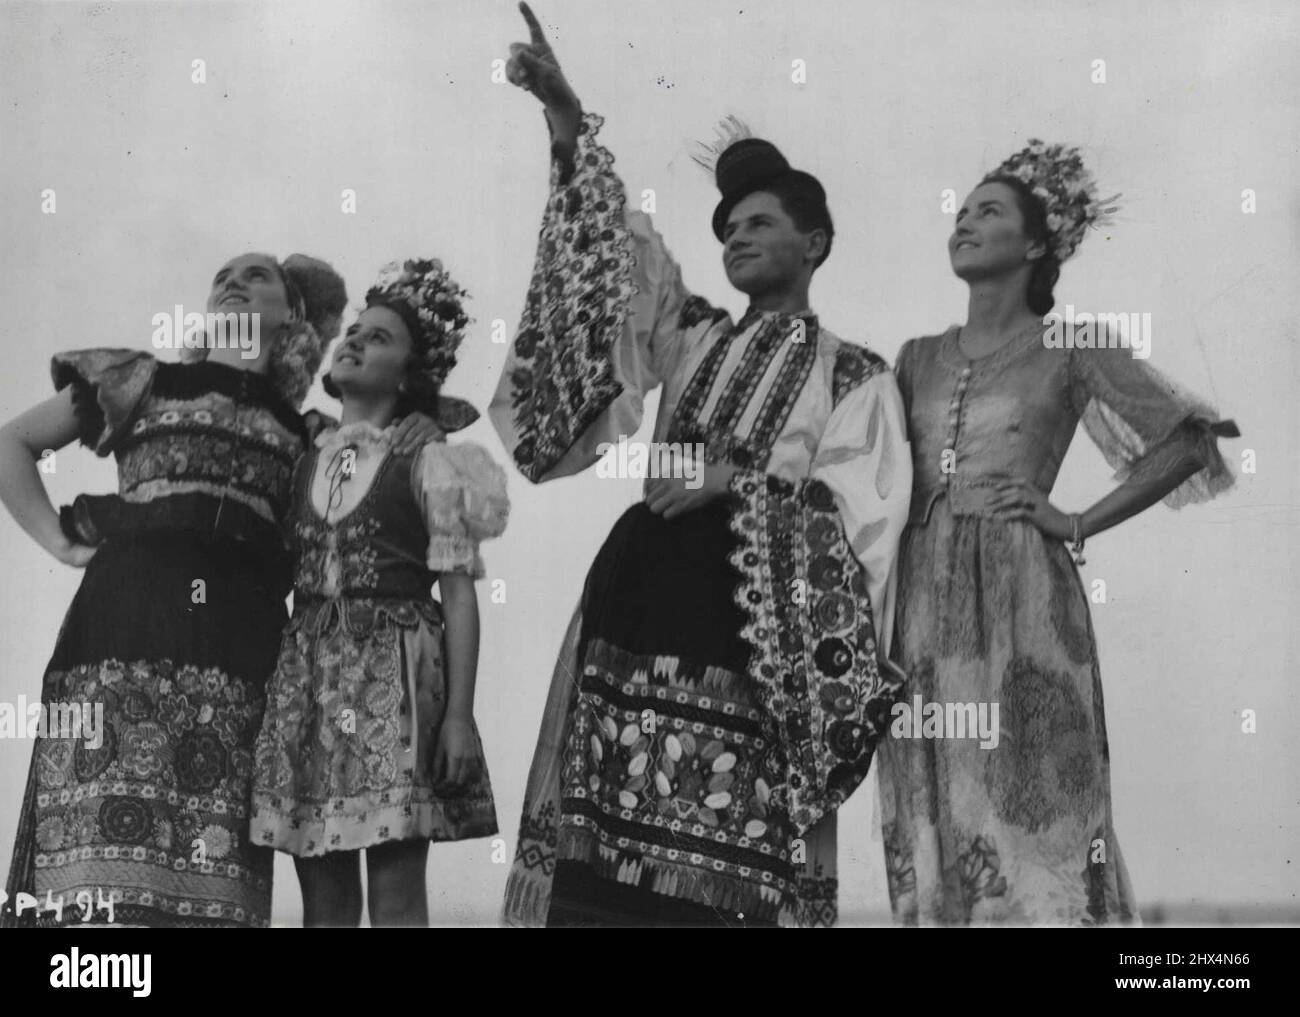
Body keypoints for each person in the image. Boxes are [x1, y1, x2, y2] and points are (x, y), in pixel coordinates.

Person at [491, 3, 911, 927]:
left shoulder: (855, 373)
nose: (736, 237)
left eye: (761, 222)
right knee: (604, 860)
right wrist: (564, 116)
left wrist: (737, 483)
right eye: (726, 229)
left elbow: (866, 527)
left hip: (755, 628)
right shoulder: (691, 336)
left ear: (817, 242)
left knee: (727, 868)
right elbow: (614, 252)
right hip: (640, 591)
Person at [874, 140, 1240, 925]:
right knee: (935, 805)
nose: (966, 221)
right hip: (922, 616)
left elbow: (1189, 439)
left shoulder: (1071, 346)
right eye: (962, 211)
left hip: (1025, 604)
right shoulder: (913, 359)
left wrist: (1076, 520)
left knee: (1037, 806)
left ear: (1037, 244)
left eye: (990, 210)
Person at [0, 253, 347, 927]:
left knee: (210, 881)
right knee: (93, 884)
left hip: (240, 666)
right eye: (224, 274)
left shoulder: (311, 437)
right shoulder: (140, 381)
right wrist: (60, 540)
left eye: (257, 275)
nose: (232, 281)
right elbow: (11, 442)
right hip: (120, 641)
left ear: (294, 318)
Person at [250, 259, 508, 927]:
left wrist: (458, 715)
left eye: (382, 338)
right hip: (308, 678)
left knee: (396, 900)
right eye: (355, 331)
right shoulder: (303, 449)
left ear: (409, 374)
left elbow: (458, 593)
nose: (356, 341)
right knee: (325, 905)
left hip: (394, 677)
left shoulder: (428, 458)